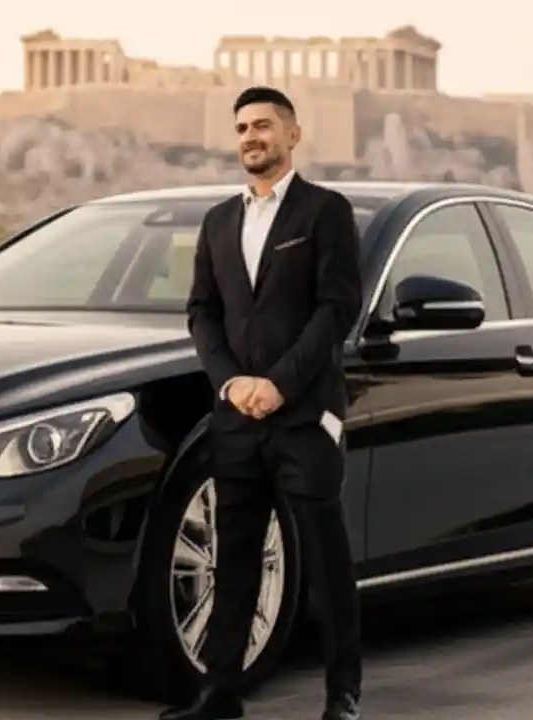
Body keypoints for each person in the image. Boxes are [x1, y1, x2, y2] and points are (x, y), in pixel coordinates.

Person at [161, 86, 364, 720]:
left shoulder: (325, 212)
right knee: (235, 559)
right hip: (236, 420)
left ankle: (342, 695)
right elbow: (202, 311)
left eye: (265, 126)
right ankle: (222, 693)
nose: (252, 136)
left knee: (325, 563)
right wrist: (229, 383)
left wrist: (277, 383)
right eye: (243, 127)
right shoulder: (218, 221)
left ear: (293, 135)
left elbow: (337, 310)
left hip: (302, 416)